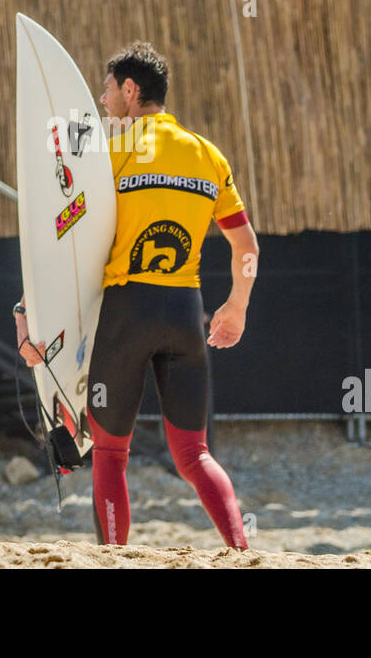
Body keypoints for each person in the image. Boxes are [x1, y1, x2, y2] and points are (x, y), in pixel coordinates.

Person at [15, 42, 258, 548]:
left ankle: (114, 559)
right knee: (194, 454)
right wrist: (236, 306)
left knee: (109, 452)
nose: (102, 102)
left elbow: (70, 235)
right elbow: (246, 245)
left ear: (130, 90)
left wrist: (28, 307)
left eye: (106, 90)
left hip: (128, 310)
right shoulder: (208, 155)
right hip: (185, 312)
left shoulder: (112, 150)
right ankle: (242, 552)